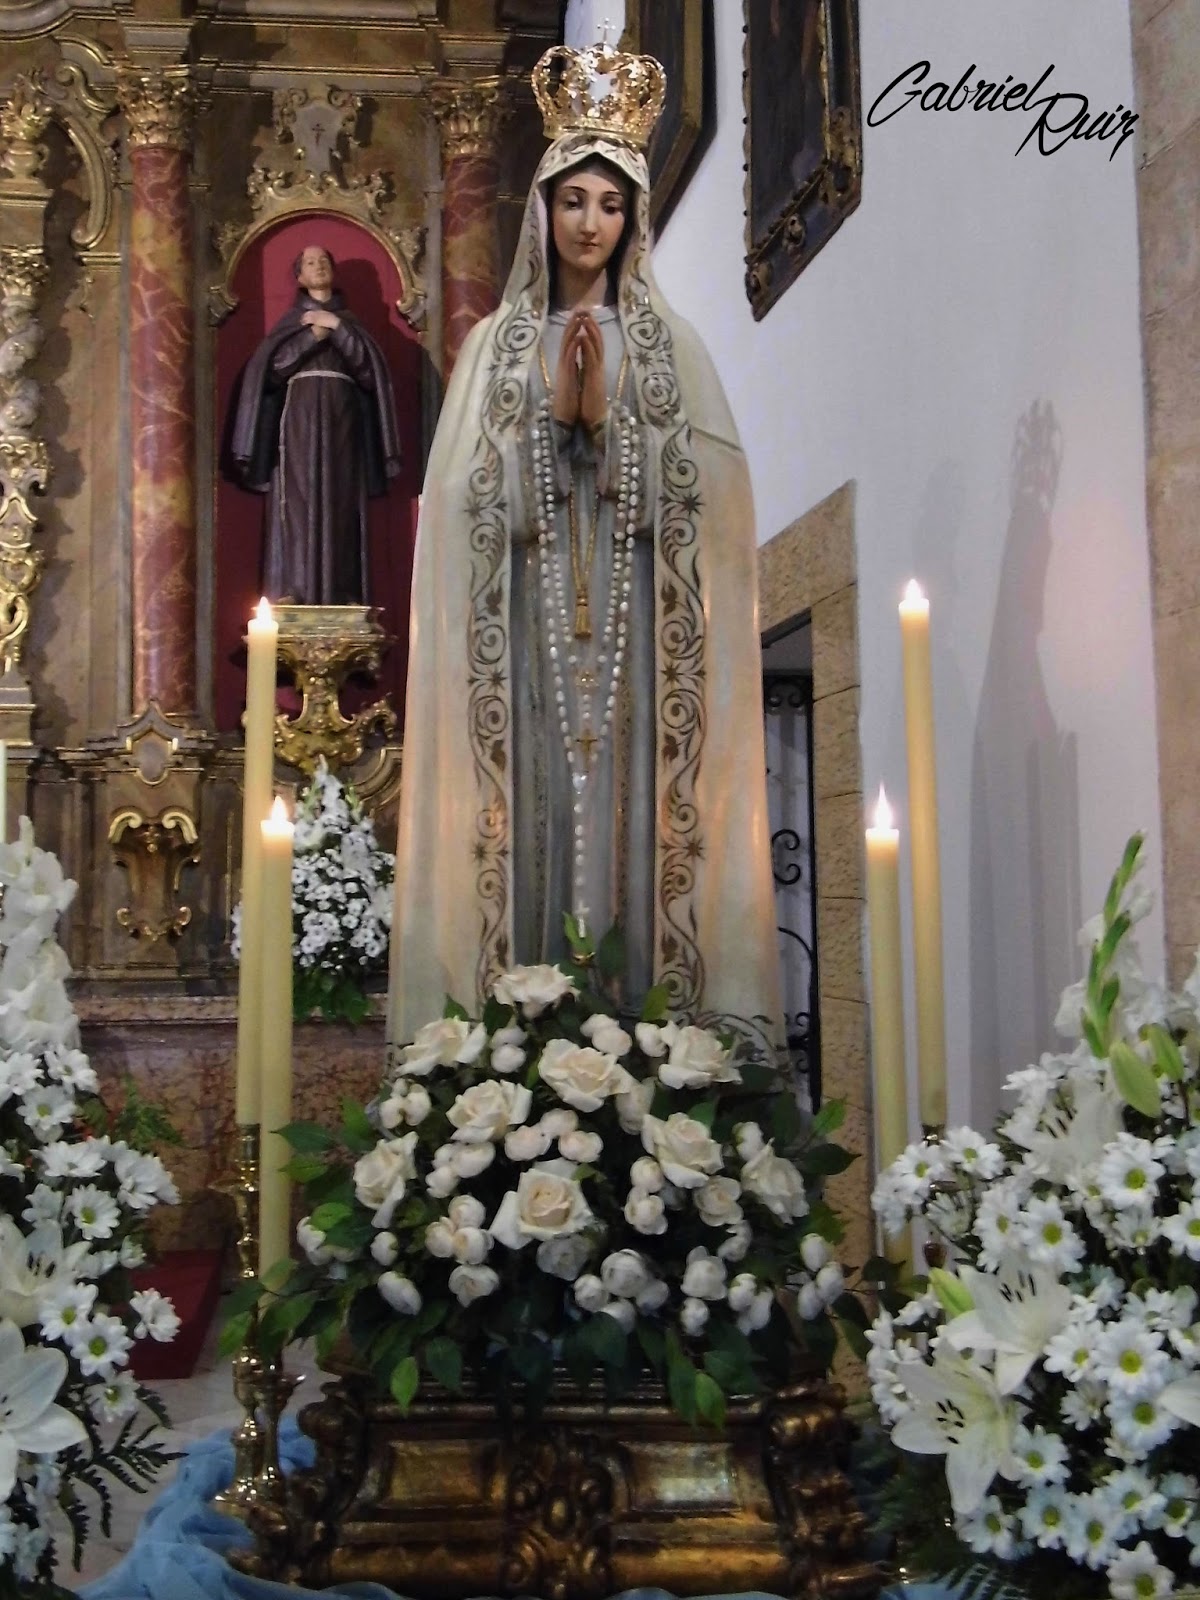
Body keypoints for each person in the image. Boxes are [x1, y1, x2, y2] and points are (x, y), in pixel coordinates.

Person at [387, 45, 782, 1060]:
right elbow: (459, 504)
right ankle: (508, 1051)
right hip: (521, 649)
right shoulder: (495, 348)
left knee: (629, 831)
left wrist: (615, 439)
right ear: (543, 210)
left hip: (639, 653)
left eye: (611, 201)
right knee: (529, 830)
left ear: (632, 216)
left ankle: (648, 1042)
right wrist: (537, 438)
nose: (591, 221)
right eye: (574, 199)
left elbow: (719, 498)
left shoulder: (669, 346)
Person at [229, 243, 403, 605]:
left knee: (341, 502)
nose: (319, 266)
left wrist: (337, 327)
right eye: (310, 262)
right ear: (300, 276)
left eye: (324, 260)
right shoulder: (292, 324)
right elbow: (274, 371)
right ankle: (293, 591)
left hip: (343, 421)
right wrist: (314, 337)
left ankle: (342, 592)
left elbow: (370, 374)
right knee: (297, 501)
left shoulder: (351, 324)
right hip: (297, 422)